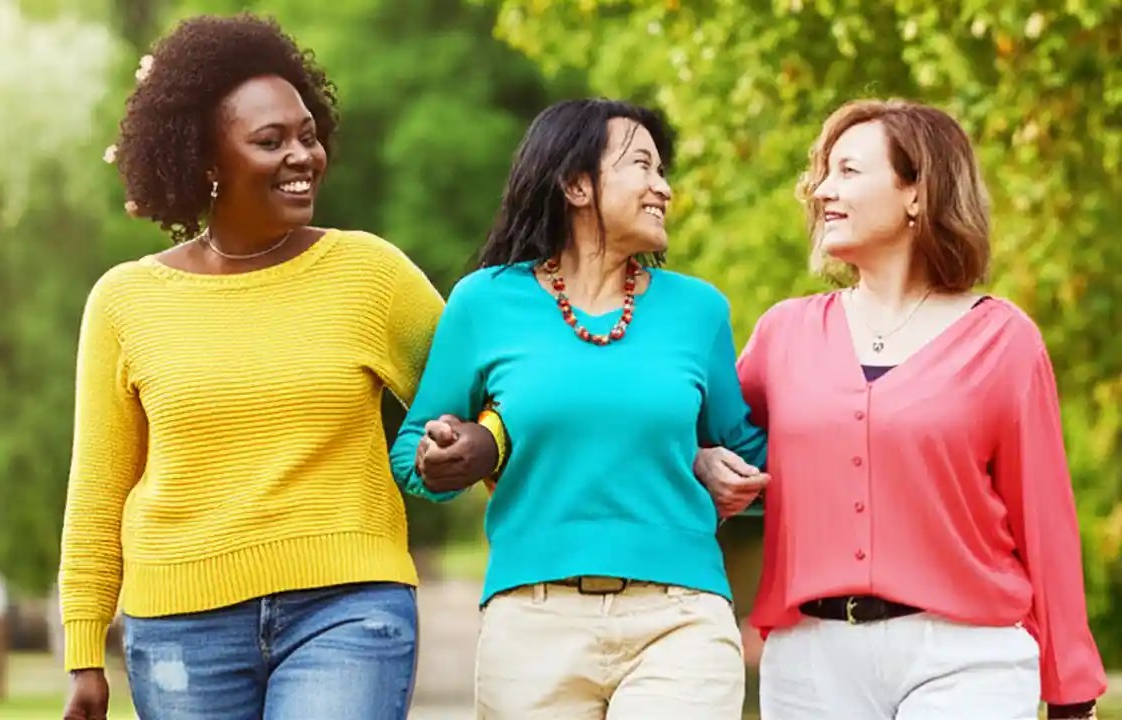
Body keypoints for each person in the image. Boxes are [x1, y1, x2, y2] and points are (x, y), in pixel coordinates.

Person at [58, 14, 501, 720]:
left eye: (307, 134)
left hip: (349, 609)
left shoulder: (370, 275)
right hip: (179, 625)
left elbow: (490, 393)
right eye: (271, 142)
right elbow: (98, 492)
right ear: (206, 160)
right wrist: (84, 653)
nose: (303, 155)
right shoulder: (125, 301)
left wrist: (479, 446)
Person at [695, 98, 1107, 719]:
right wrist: (703, 461)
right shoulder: (786, 333)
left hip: (968, 657)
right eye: (823, 173)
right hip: (811, 663)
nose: (822, 191)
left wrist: (1071, 692)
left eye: (848, 171)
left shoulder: (1004, 341)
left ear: (918, 191)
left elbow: (1044, 520)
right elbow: (698, 431)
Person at [391, 98, 768, 719]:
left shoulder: (698, 311)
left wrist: (716, 466)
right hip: (531, 624)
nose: (663, 188)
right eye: (643, 166)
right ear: (575, 184)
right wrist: (440, 459)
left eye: (662, 170)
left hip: (679, 618)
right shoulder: (484, 303)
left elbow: (750, 458)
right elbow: (410, 455)